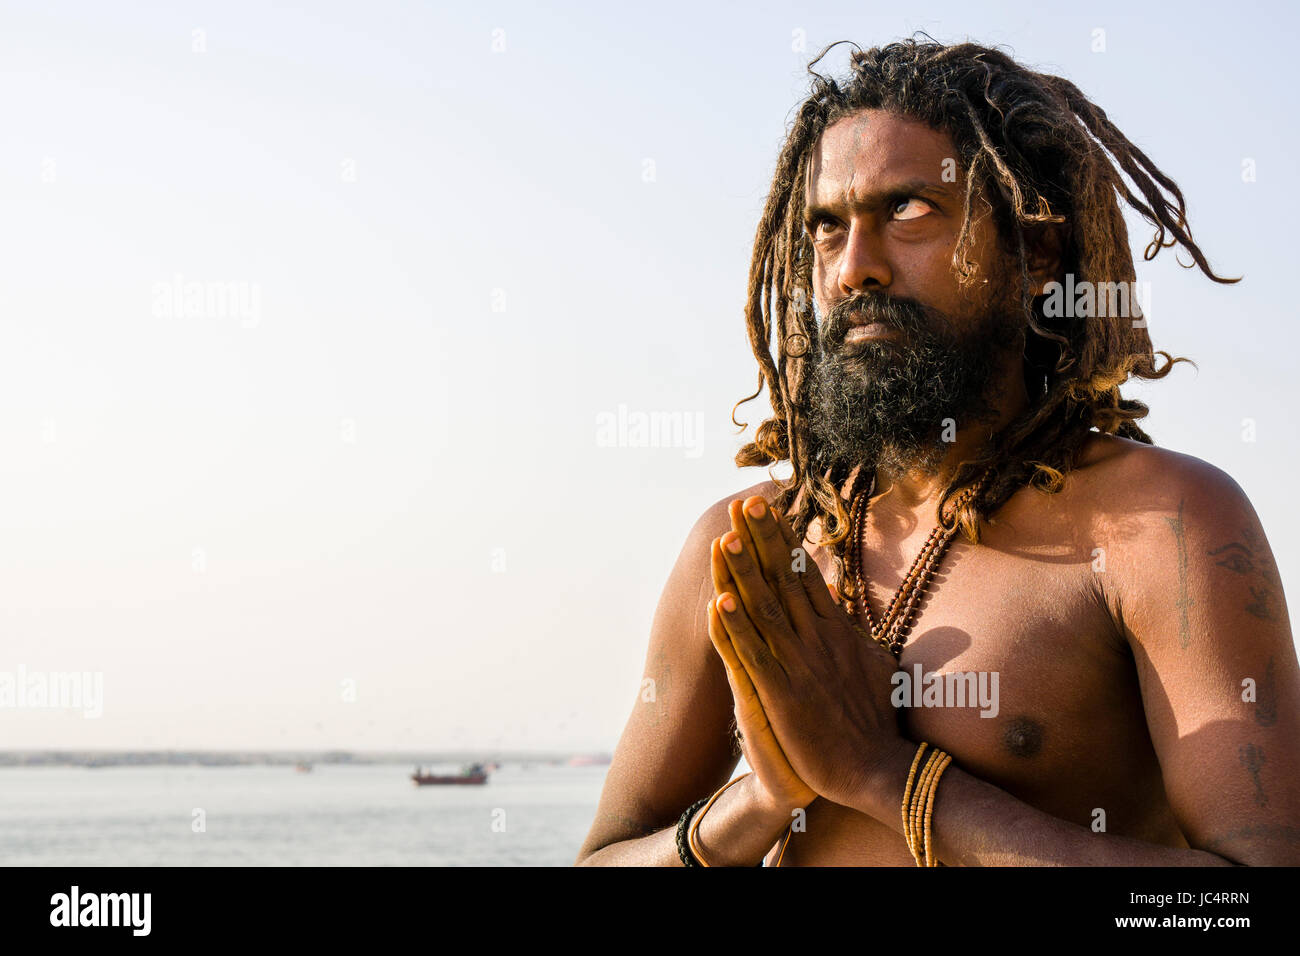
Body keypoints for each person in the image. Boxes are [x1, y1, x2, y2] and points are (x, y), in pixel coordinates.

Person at [575, 38, 1300, 866]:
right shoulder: (746, 549)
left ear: (1039, 258)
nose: (856, 269)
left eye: (910, 211)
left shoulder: (1160, 526)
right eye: (827, 227)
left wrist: (888, 777)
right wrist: (767, 795)